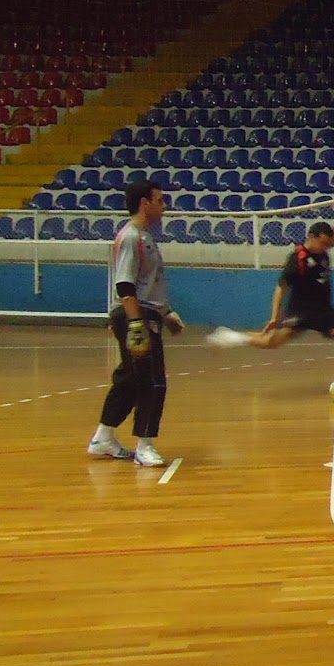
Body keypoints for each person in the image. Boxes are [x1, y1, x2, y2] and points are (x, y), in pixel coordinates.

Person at [205, 220, 334, 398]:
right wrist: (274, 317)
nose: (326, 247)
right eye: (322, 243)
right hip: (300, 311)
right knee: (271, 342)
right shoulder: (297, 259)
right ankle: (231, 336)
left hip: (324, 311)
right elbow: (281, 287)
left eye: (327, 243)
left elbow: (333, 239)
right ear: (311, 237)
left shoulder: (323, 248)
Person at [89, 179, 184, 468]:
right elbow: (126, 285)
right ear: (145, 203)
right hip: (136, 316)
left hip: (147, 313)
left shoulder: (145, 237)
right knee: (152, 381)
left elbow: (148, 283)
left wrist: (166, 312)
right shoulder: (131, 237)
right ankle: (145, 445)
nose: (164, 206)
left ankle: (103, 437)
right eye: (160, 200)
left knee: (129, 378)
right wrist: (137, 325)